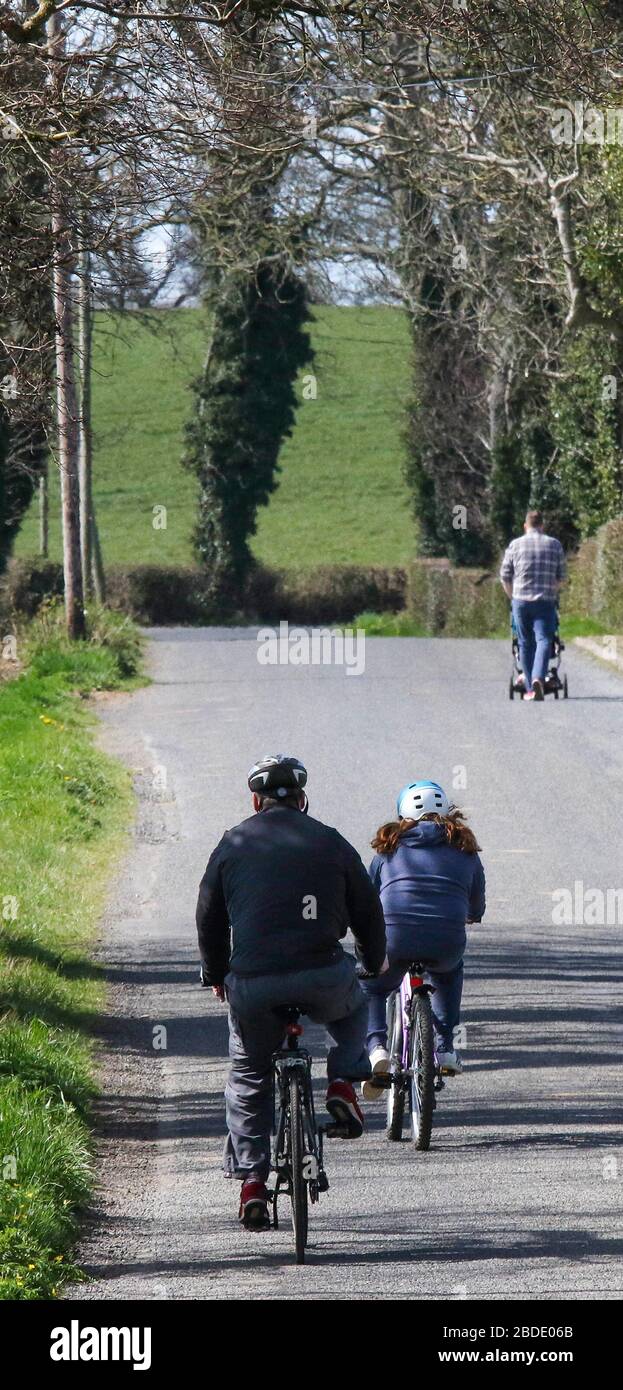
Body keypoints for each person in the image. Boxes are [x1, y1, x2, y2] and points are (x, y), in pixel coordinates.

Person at [196, 754, 387, 1231]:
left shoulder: (233, 843)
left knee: (249, 1073)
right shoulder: (330, 840)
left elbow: (209, 916)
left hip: (254, 985)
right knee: (352, 1006)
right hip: (322, 976)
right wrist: (371, 959)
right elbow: (368, 910)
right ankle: (343, 1082)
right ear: (302, 799)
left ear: (255, 801)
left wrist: (216, 972)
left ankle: (253, 1183)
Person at [358, 780, 485, 1098]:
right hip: (446, 940)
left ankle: (376, 1049)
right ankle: (444, 1049)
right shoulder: (466, 851)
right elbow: (476, 903)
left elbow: (369, 897)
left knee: (372, 985)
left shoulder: (388, 849)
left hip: (395, 938)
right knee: (449, 973)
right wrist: (470, 914)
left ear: (402, 815)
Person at [500, 509, 566, 701]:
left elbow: (504, 576)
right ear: (542, 526)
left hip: (521, 601)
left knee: (525, 643)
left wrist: (513, 596)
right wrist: (552, 590)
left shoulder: (515, 545)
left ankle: (530, 688)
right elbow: (562, 577)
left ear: (525, 526)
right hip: (545, 601)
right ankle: (539, 677)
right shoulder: (554, 545)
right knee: (544, 640)